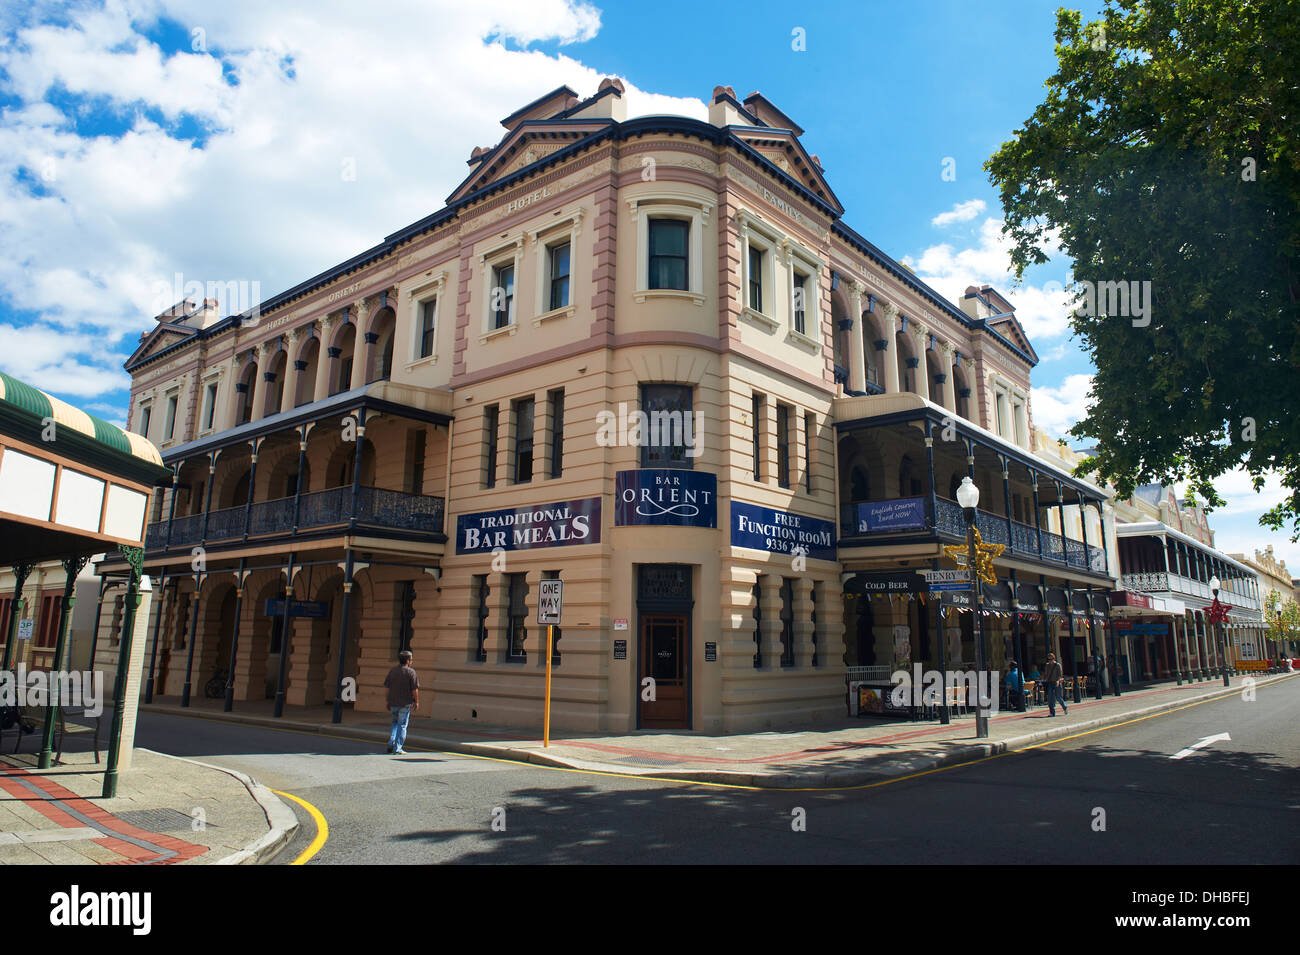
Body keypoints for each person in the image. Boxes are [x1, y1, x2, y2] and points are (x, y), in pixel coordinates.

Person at [384, 650, 419, 755]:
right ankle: (398, 747)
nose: (412, 661)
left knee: (394, 723)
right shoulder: (411, 672)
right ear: (407, 661)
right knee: (402, 725)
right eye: (411, 659)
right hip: (405, 703)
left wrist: (388, 700)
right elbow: (414, 689)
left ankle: (391, 741)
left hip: (393, 702)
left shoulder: (392, 671)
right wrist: (416, 701)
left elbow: (387, 688)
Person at [1043, 652, 1067, 716]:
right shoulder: (1047, 665)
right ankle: (1052, 712)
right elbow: (1046, 674)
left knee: (1058, 697)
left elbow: (1060, 675)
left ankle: (1064, 707)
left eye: (1052, 659)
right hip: (1050, 682)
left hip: (1056, 682)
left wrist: (1058, 681)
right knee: (1050, 698)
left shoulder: (1057, 665)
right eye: (1049, 659)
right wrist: (1044, 679)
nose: (1050, 661)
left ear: (1054, 658)